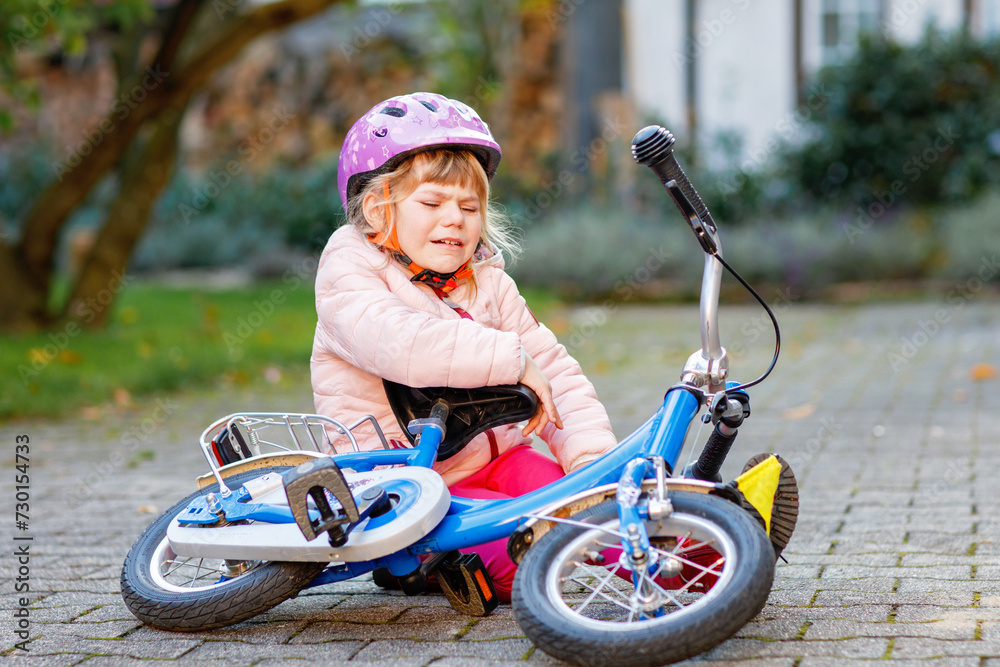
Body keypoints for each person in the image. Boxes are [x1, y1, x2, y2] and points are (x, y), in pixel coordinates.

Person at [311, 92, 618, 601]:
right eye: (432, 203)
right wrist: (508, 360)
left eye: (469, 207)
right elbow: (398, 340)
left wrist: (590, 460)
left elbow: (554, 371)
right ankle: (426, 563)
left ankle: (704, 553)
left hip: (498, 459)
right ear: (377, 207)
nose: (455, 218)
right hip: (407, 481)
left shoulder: (487, 283)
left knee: (585, 506)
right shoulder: (351, 270)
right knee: (526, 554)